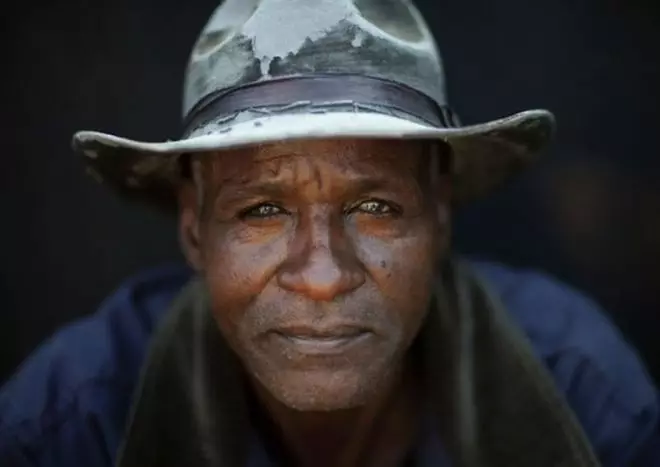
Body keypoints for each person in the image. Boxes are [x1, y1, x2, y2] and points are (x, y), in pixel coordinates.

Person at [1, 1, 658, 466]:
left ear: (440, 217)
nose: (321, 275)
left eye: (375, 205)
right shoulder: (71, 422)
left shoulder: (579, 393)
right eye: (261, 210)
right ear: (194, 229)